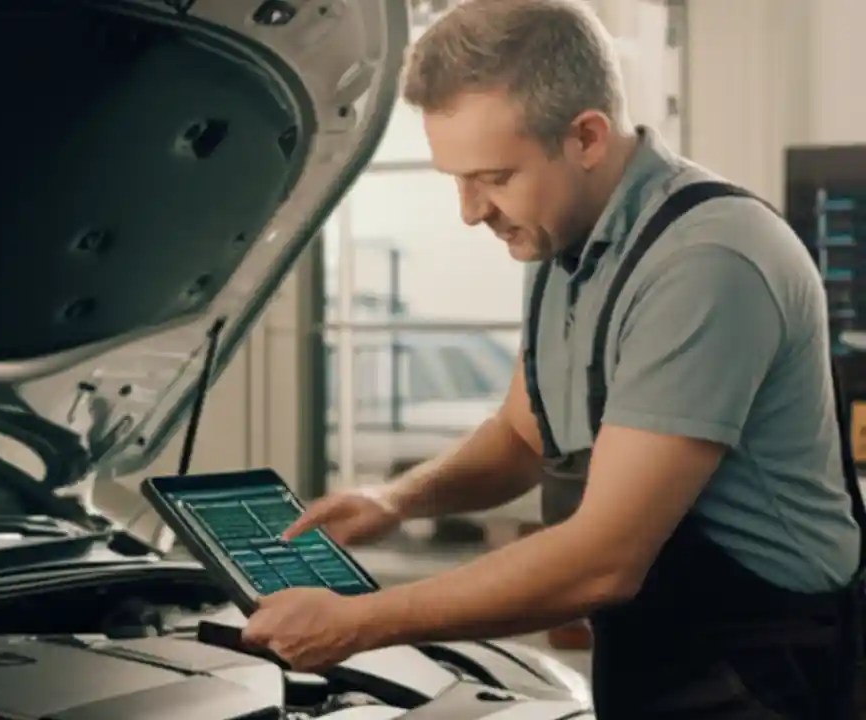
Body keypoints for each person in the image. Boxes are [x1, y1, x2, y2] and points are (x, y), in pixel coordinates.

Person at [239, 0, 866, 717]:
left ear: (587, 137)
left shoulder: (708, 262)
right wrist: (396, 501)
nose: (470, 211)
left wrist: (360, 624)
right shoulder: (560, 237)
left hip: (766, 678)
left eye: (494, 177)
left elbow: (604, 559)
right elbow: (523, 435)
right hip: (660, 661)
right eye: (457, 179)